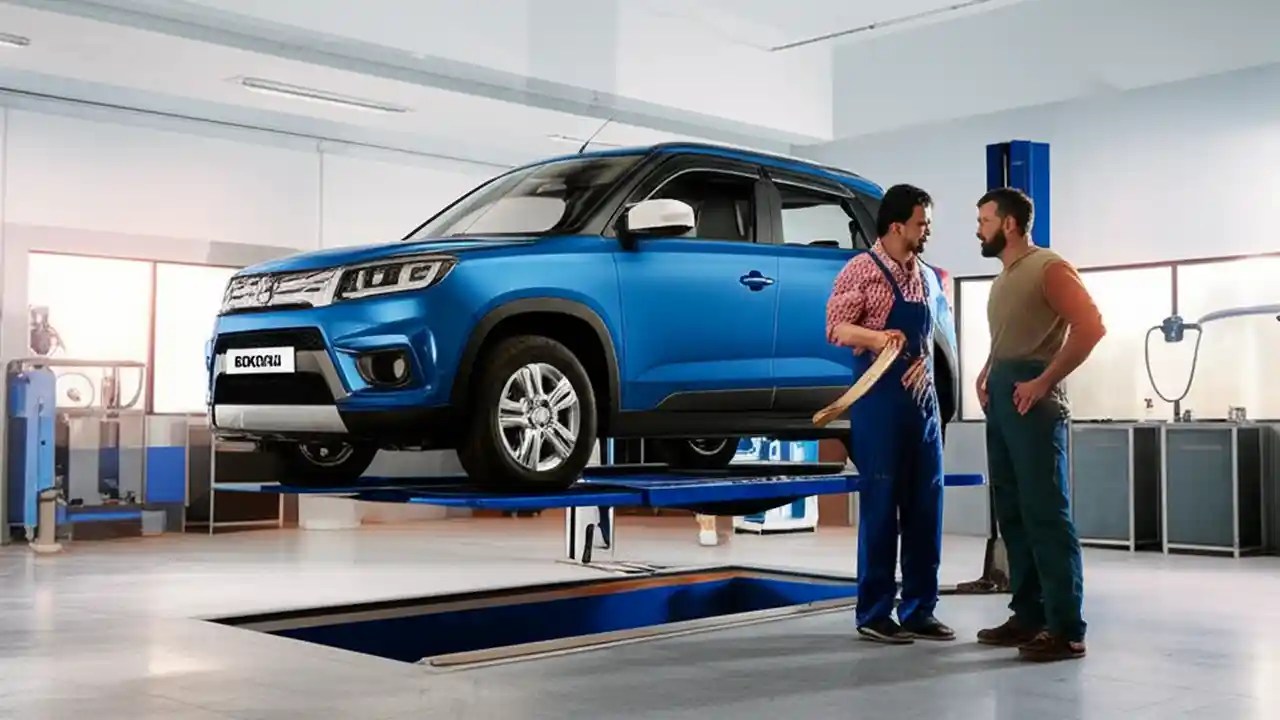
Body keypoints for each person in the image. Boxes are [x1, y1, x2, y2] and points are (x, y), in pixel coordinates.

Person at [972, 187, 1105, 662]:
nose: (979, 228)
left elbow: (1091, 326)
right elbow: (1010, 334)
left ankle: (1066, 628)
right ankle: (1028, 615)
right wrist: (988, 370)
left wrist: (1044, 381)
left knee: (1046, 514)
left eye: (985, 219)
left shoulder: (1049, 267)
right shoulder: (1004, 277)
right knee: (1012, 511)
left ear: (1008, 223)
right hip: (1004, 395)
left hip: (1034, 398)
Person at [825, 184, 952, 644]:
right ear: (897, 226)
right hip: (879, 405)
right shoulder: (860, 270)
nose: (928, 230)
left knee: (926, 506)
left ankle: (920, 608)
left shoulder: (927, 276)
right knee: (881, 508)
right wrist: (879, 339)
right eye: (922, 223)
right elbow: (835, 328)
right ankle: (875, 612)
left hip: (923, 409)